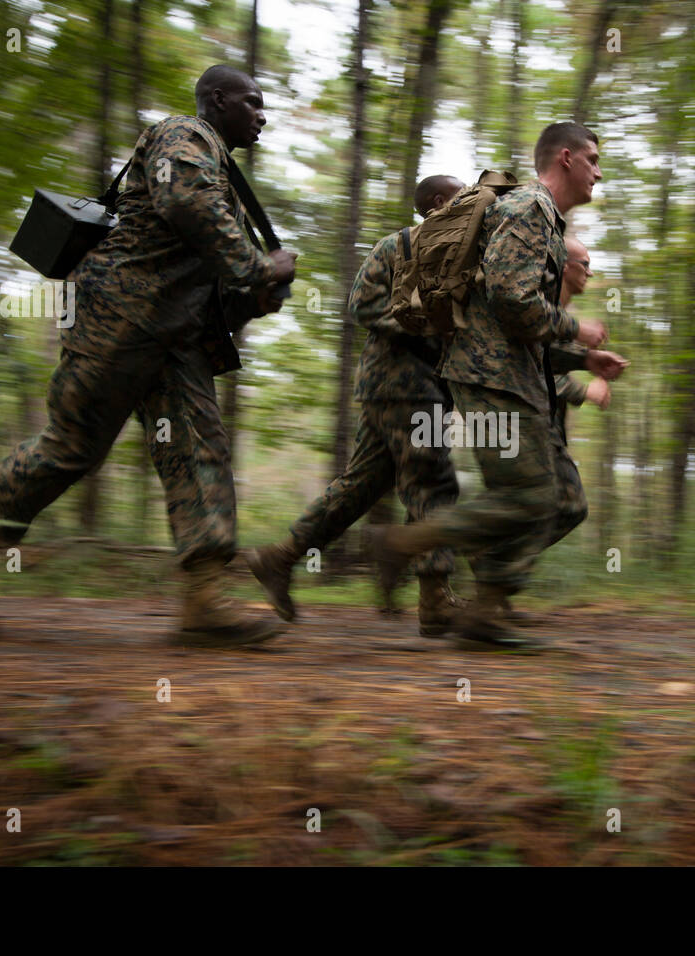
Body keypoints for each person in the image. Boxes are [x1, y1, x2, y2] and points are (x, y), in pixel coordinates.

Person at [0, 65, 296, 649]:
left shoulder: (223, 173)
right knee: (72, 446)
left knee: (198, 453)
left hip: (173, 337)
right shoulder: (181, 136)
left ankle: (204, 597)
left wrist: (253, 297)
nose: (262, 116)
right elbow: (186, 204)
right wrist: (259, 268)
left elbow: (209, 270)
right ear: (218, 100)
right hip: (121, 317)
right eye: (253, 103)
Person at [367, 122, 617, 649]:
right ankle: (404, 543)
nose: (599, 170)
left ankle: (488, 604)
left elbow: (518, 312)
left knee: (555, 499)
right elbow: (509, 298)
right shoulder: (530, 207)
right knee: (530, 495)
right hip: (488, 376)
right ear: (565, 158)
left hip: (510, 375)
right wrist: (578, 326)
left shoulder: (544, 219)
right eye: (592, 159)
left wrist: (583, 356)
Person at [246, 175, 469, 637]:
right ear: (439, 202)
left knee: (360, 487)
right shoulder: (397, 247)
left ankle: (280, 557)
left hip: (407, 388)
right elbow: (361, 305)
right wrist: (423, 326)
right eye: (463, 195)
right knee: (432, 483)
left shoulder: (458, 256)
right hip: (404, 386)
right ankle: (435, 600)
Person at [496, 234, 626, 627]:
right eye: (584, 263)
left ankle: (494, 587)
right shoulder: (543, 309)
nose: (589, 271)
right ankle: (489, 573)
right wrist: (586, 386)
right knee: (565, 503)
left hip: (540, 420)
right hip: (520, 418)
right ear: (564, 267)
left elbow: (548, 361)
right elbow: (533, 364)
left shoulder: (558, 313)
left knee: (549, 506)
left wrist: (589, 360)